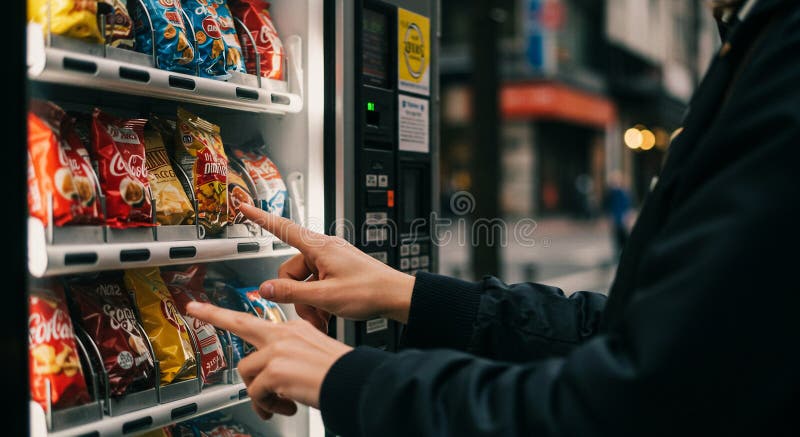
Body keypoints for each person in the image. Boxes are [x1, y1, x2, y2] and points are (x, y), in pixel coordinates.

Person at [188, 0, 800, 435]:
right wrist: (411, 293)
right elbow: (623, 334)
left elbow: (639, 402)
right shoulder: (759, 38)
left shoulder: (782, 60)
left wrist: (350, 377)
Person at [603, 170, 631, 255]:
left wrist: (627, 216)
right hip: (616, 217)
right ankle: (620, 252)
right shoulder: (612, 193)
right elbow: (607, 206)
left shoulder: (622, 192)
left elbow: (627, 205)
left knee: (622, 236)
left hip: (621, 217)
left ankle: (623, 252)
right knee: (617, 236)